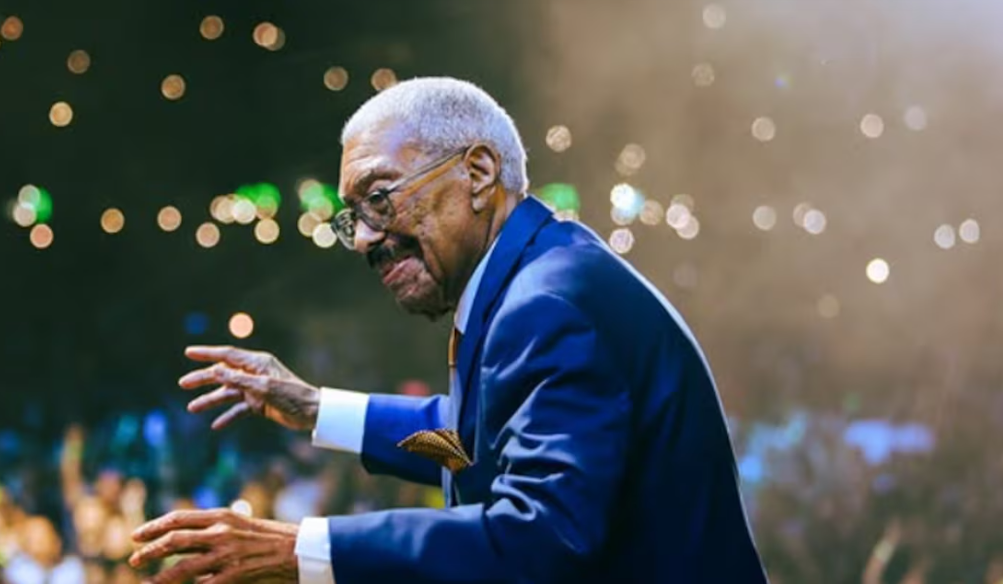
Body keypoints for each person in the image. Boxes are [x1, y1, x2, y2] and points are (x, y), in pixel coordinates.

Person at [130, 77, 766, 583]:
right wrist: (317, 409)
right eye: (354, 218)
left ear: (479, 173)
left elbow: (538, 541)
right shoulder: (542, 270)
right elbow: (470, 444)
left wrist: (302, 547)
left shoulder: (548, 304)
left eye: (380, 197)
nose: (368, 239)